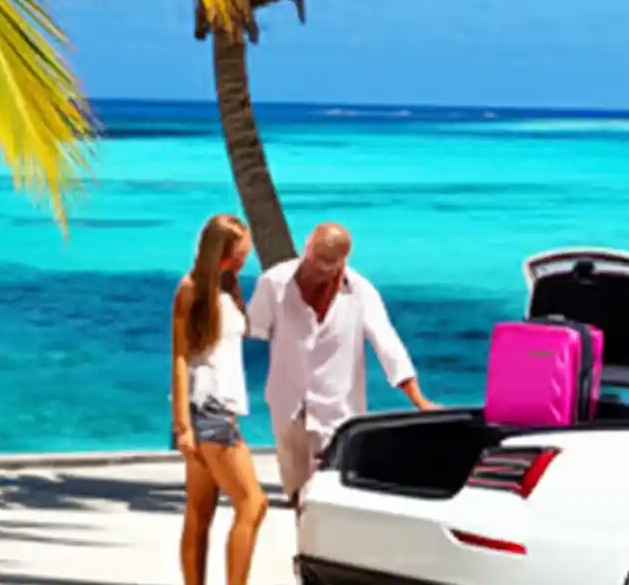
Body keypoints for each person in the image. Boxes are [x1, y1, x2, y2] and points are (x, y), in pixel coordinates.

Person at [246, 222, 438, 513]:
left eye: (326, 266)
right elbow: (253, 328)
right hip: (288, 407)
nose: (316, 271)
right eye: (313, 260)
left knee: (330, 498)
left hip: (339, 411)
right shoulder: (274, 282)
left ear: (342, 261)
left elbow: (388, 345)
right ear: (306, 248)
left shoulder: (360, 292)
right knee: (297, 496)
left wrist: (418, 399)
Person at [171, 214, 268, 585]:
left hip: (215, 406)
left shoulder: (225, 288)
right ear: (221, 251)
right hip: (207, 408)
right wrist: (182, 426)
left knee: (200, 509)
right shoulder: (191, 289)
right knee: (253, 504)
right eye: (240, 252)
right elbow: (180, 357)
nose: (246, 258)